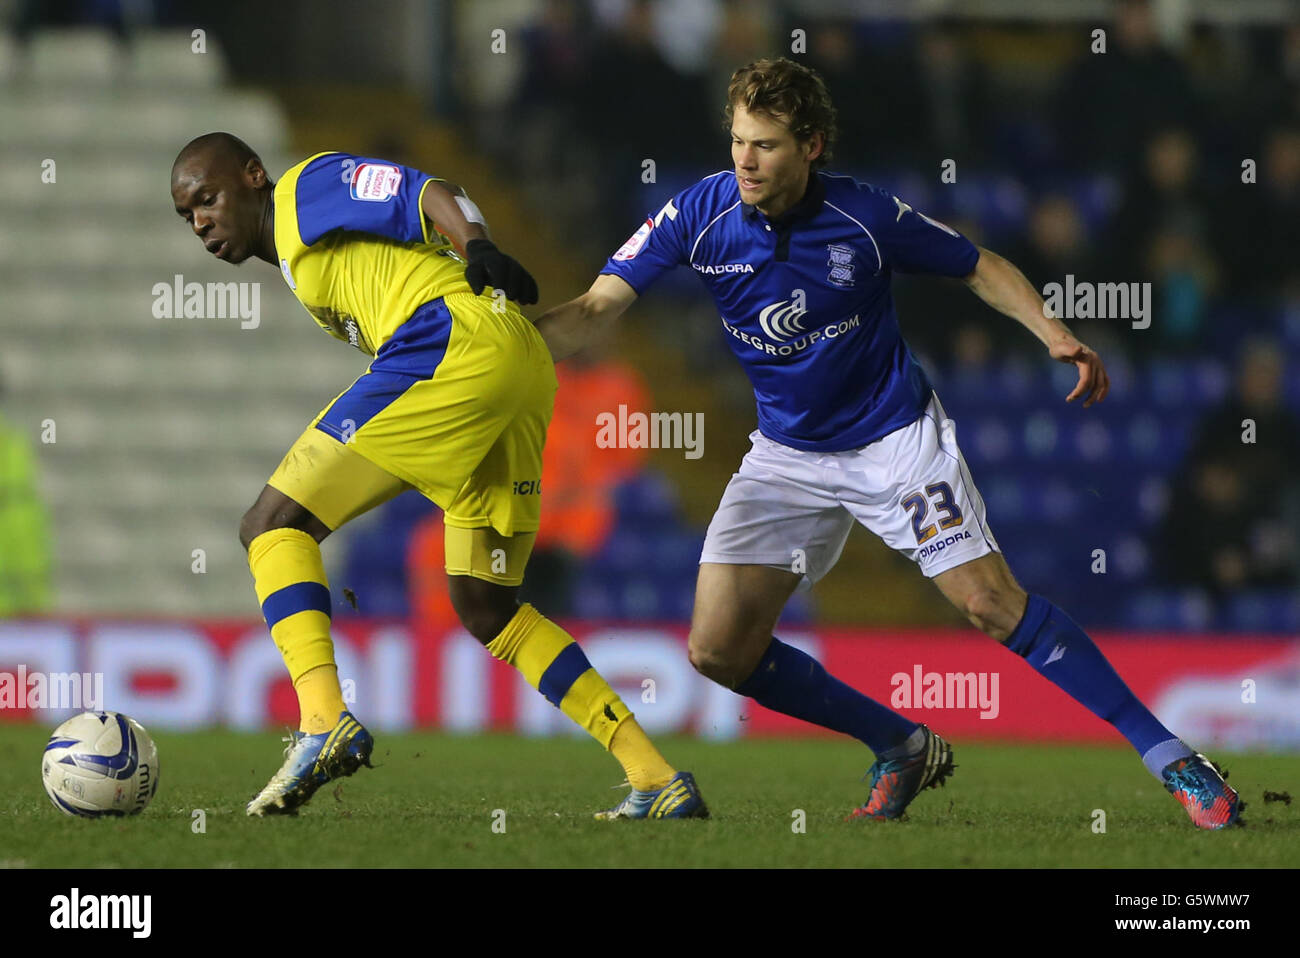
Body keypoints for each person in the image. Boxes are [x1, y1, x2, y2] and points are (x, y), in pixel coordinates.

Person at [536, 57, 1242, 830]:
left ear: (811, 145)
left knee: (989, 603)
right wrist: (490, 347)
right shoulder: (696, 215)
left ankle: (1173, 757)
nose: (744, 159)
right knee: (717, 651)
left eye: (765, 144)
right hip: (786, 455)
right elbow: (591, 312)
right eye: (738, 140)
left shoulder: (864, 219)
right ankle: (900, 744)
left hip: (894, 440)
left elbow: (982, 266)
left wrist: (1053, 332)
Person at [169, 133, 706, 819]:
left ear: (252, 174)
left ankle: (322, 719)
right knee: (488, 607)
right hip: (521, 361)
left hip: (452, 342)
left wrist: (476, 243)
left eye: (206, 199)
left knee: (271, 525)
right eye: (188, 216)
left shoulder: (302, 191)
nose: (201, 222)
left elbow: (423, 191)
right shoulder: (306, 261)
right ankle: (655, 776)